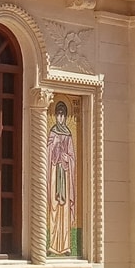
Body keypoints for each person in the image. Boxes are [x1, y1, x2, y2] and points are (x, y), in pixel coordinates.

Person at [47, 100, 76, 255]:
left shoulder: (68, 135)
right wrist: (54, 148)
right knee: (53, 206)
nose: (59, 118)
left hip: (64, 174)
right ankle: (52, 245)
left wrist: (67, 158)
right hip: (53, 173)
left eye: (62, 115)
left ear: (65, 117)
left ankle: (65, 246)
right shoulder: (52, 132)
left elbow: (72, 157)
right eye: (57, 115)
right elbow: (46, 150)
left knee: (63, 210)